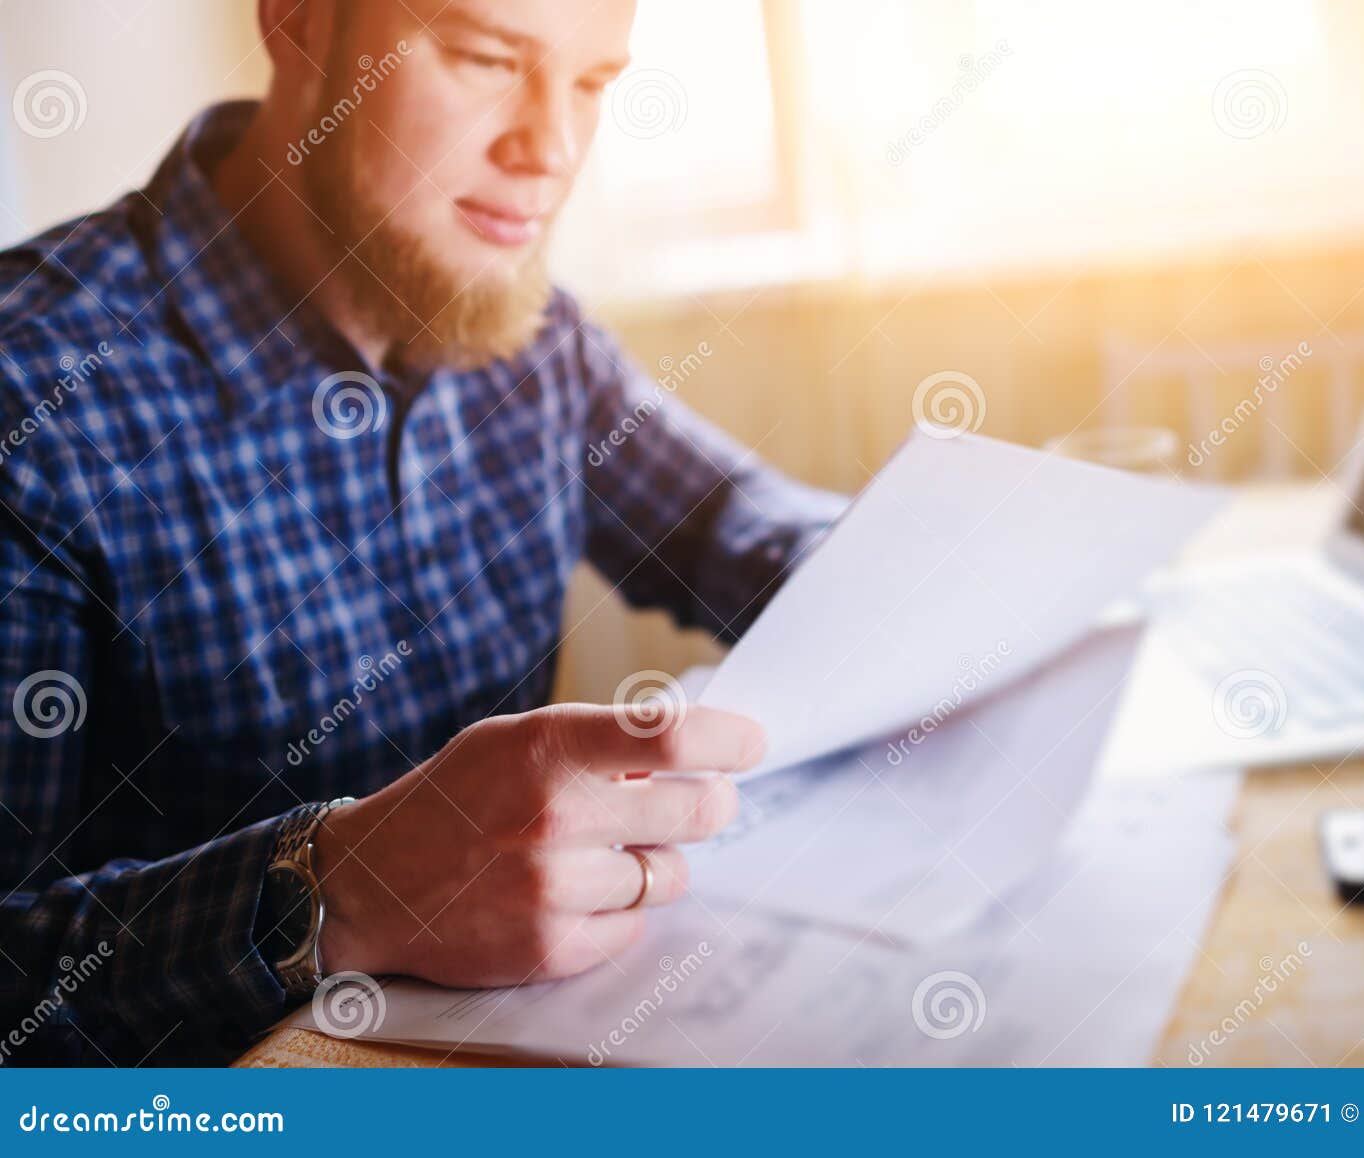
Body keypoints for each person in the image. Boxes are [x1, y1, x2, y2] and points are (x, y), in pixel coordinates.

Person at [0, 0, 841, 1065]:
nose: (552, 150)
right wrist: (337, 893)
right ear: (297, 23)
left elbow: (746, 530)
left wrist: (943, 568)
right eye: (488, 58)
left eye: (592, 84)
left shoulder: (532, 338)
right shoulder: (28, 404)